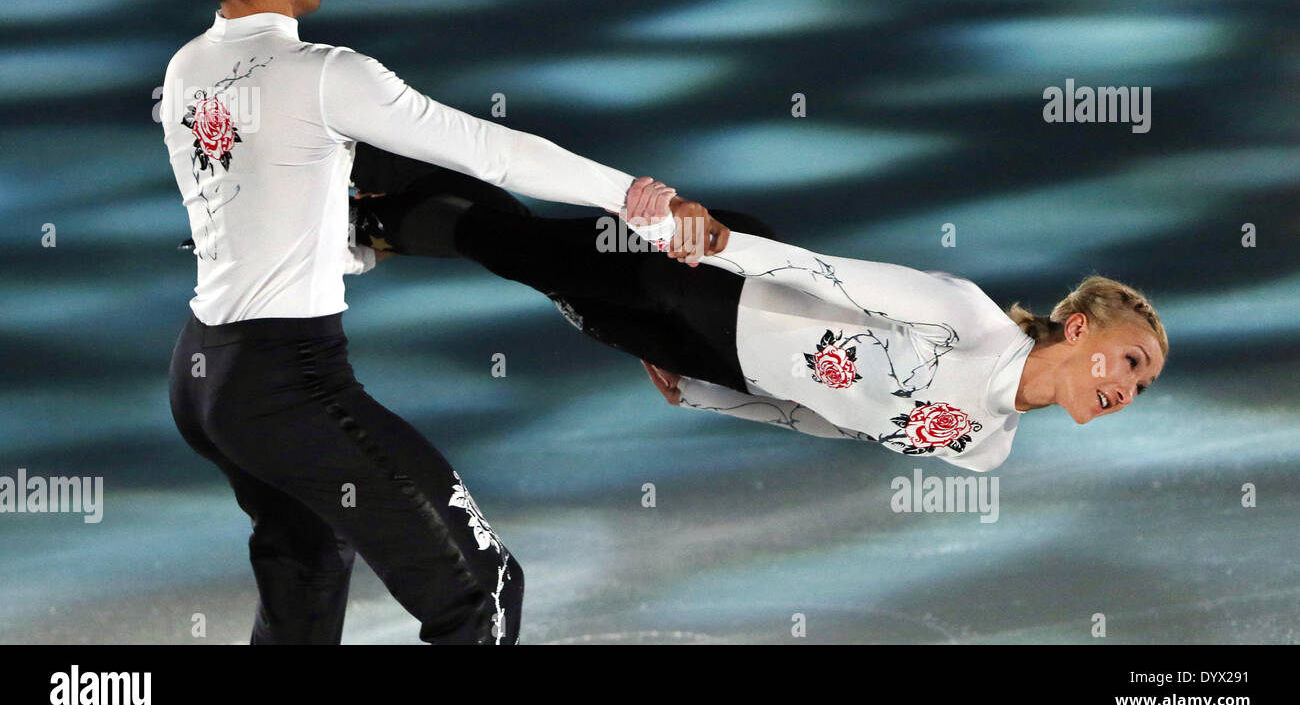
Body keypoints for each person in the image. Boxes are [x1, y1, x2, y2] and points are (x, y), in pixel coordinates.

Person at [161, 0, 718, 645]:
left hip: (203, 376)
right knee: (481, 592)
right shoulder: (327, 74)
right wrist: (638, 198)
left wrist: (344, 248)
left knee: (309, 564)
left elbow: (244, 195)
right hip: (288, 387)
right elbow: (491, 152)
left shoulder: (186, 70)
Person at [350, 166, 1169, 473]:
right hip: (724, 286)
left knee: (537, 265)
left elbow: (835, 422)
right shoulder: (967, 316)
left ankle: (398, 206)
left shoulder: (984, 451)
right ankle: (379, 190)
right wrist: (711, 242)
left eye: (1146, 381)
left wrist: (713, 397)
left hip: (717, 358)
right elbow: (826, 275)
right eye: (1132, 360)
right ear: (1078, 330)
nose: (1132, 386)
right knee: (533, 254)